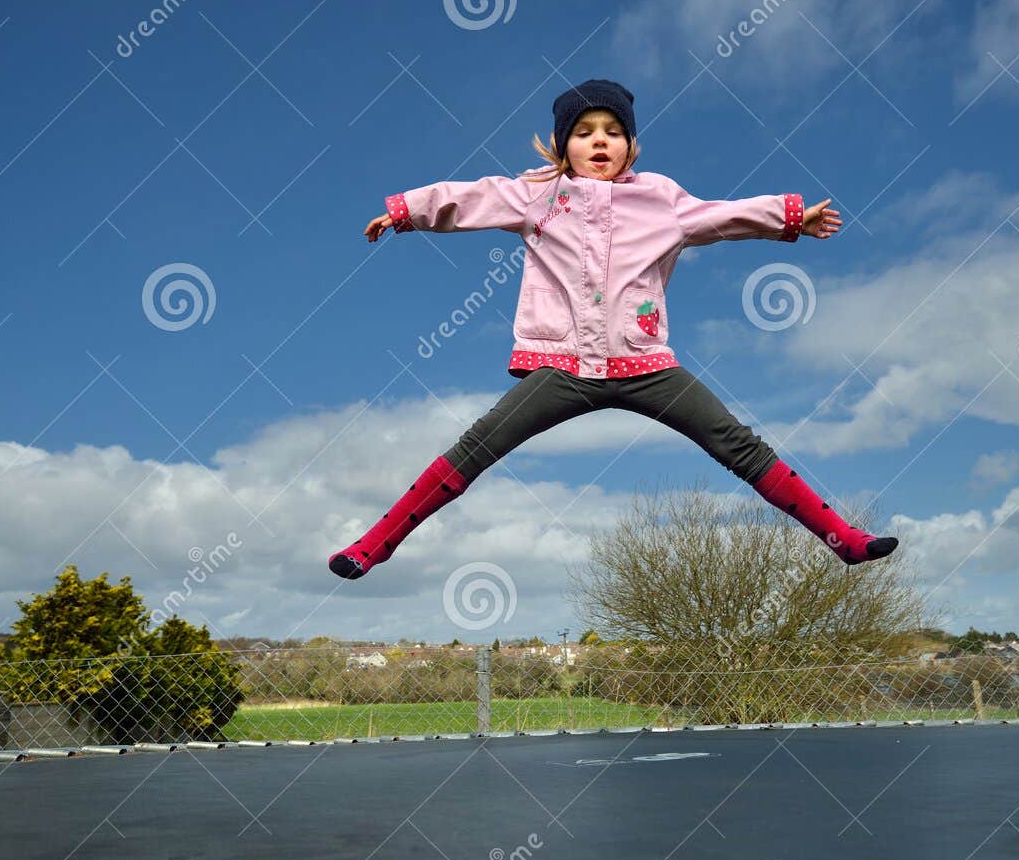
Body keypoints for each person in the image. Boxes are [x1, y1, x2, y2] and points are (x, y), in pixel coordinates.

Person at [328, 78, 898, 580]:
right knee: (478, 444)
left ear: (630, 145)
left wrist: (788, 217)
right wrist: (406, 211)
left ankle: (842, 539)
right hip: (565, 367)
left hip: (645, 363)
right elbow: (468, 198)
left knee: (736, 443)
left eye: (612, 132)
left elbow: (719, 215)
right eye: (584, 131)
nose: (599, 141)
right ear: (561, 145)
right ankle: (374, 545)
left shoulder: (660, 199)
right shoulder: (538, 195)